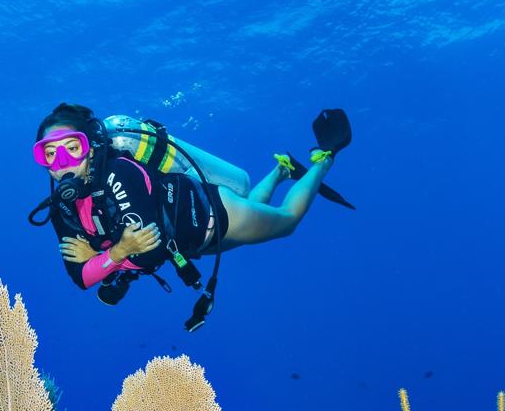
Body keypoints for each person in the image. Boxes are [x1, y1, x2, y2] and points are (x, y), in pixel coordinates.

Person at [31, 104, 349, 321]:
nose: (62, 164)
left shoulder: (119, 173)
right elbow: (80, 278)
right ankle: (282, 171)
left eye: (72, 148)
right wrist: (122, 251)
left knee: (287, 221)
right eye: (49, 154)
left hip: (219, 215)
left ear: (92, 148)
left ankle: (324, 159)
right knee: (258, 206)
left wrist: (110, 255)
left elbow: (149, 253)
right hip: (195, 246)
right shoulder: (63, 208)